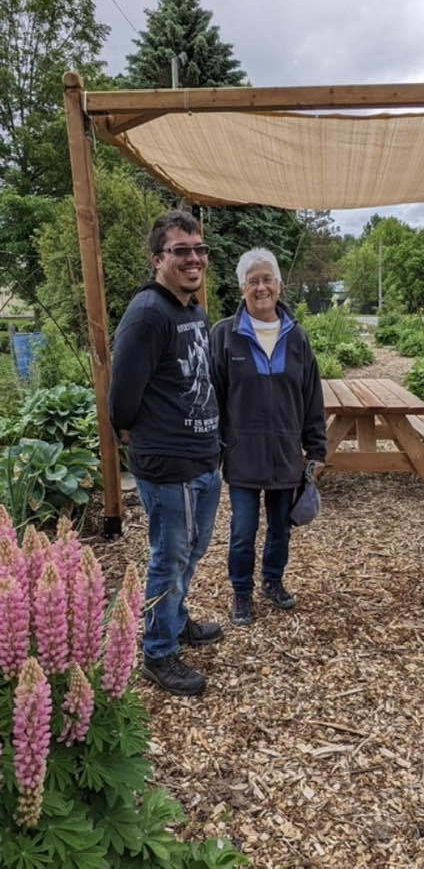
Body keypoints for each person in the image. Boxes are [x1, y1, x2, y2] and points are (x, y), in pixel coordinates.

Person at [109, 210, 222, 697]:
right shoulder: (147, 314)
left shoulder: (191, 308)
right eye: (181, 251)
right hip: (168, 463)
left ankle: (174, 621)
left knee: (191, 550)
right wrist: (140, 435)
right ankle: (157, 651)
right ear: (158, 259)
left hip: (202, 456)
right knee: (168, 557)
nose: (194, 258)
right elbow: (121, 402)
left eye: (199, 249)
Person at [210, 247, 327, 626]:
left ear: (279, 284)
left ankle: (273, 581)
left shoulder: (298, 338)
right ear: (242, 287)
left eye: (267, 279)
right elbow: (213, 397)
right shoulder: (224, 335)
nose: (261, 287)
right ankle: (241, 593)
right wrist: (215, 448)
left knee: (280, 528)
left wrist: (317, 448)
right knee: (243, 530)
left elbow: (312, 396)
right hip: (243, 455)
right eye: (253, 280)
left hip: (285, 454)